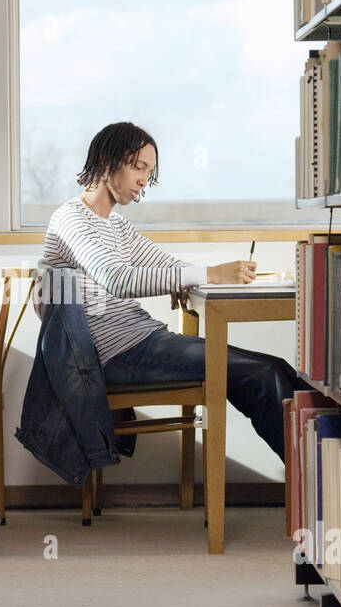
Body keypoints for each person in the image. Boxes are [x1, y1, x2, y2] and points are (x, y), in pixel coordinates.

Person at [39, 121, 305, 461]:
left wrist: (189, 277)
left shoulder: (115, 224)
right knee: (261, 374)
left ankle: (336, 453)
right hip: (118, 354)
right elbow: (119, 278)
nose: (143, 182)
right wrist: (209, 274)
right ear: (108, 161)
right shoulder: (71, 218)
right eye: (139, 168)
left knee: (276, 366)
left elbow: (167, 264)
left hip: (144, 341)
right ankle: (314, 482)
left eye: (149, 173)